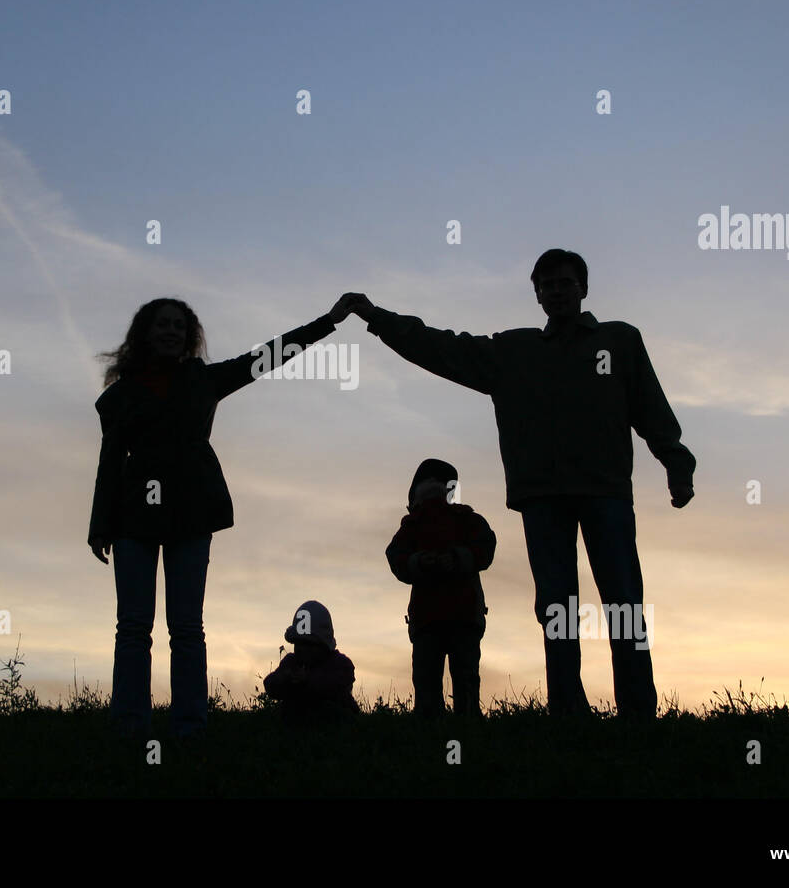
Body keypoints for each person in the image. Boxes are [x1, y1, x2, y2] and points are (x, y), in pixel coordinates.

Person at [336, 249, 695, 718]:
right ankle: (567, 710)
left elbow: (649, 406)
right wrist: (376, 317)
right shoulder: (514, 351)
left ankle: (638, 711)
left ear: (583, 288)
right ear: (537, 295)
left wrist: (675, 460)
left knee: (623, 600)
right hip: (542, 496)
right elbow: (441, 347)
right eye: (547, 285)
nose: (557, 291)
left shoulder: (619, 341)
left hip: (604, 490)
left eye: (565, 282)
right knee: (556, 607)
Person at [88, 296, 351, 739]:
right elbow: (110, 461)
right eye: (162, 324)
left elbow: (267, 356)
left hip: (191, 512)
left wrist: (327, 322)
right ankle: (129, 728)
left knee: (187, 627)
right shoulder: (119, 397)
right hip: (134, 515)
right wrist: (100, 525)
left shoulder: (204, 380)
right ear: (145, 334)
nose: (171, 331)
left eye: (179, 325)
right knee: (133, 627)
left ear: (188, 336)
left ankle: (189, 728)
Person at [385, 458, 496, 717]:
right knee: (455, 679)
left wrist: (450, 559)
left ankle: (439, 725)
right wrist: (424, 562)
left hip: (442, 618)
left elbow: (396, 556)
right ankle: (459, 725)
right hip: (453, 617)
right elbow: (485, 547)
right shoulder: (463, 519)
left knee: (438, 680)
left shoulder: (420, 524)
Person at [262, 600, 361, 722]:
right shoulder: (292, 662)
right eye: (298, 643)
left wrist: (307, 680)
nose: (301, 649)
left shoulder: (340, 663)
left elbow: (336, 683)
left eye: (308, 644)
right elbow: (270, 684)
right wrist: (286, 678)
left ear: (322, 645)